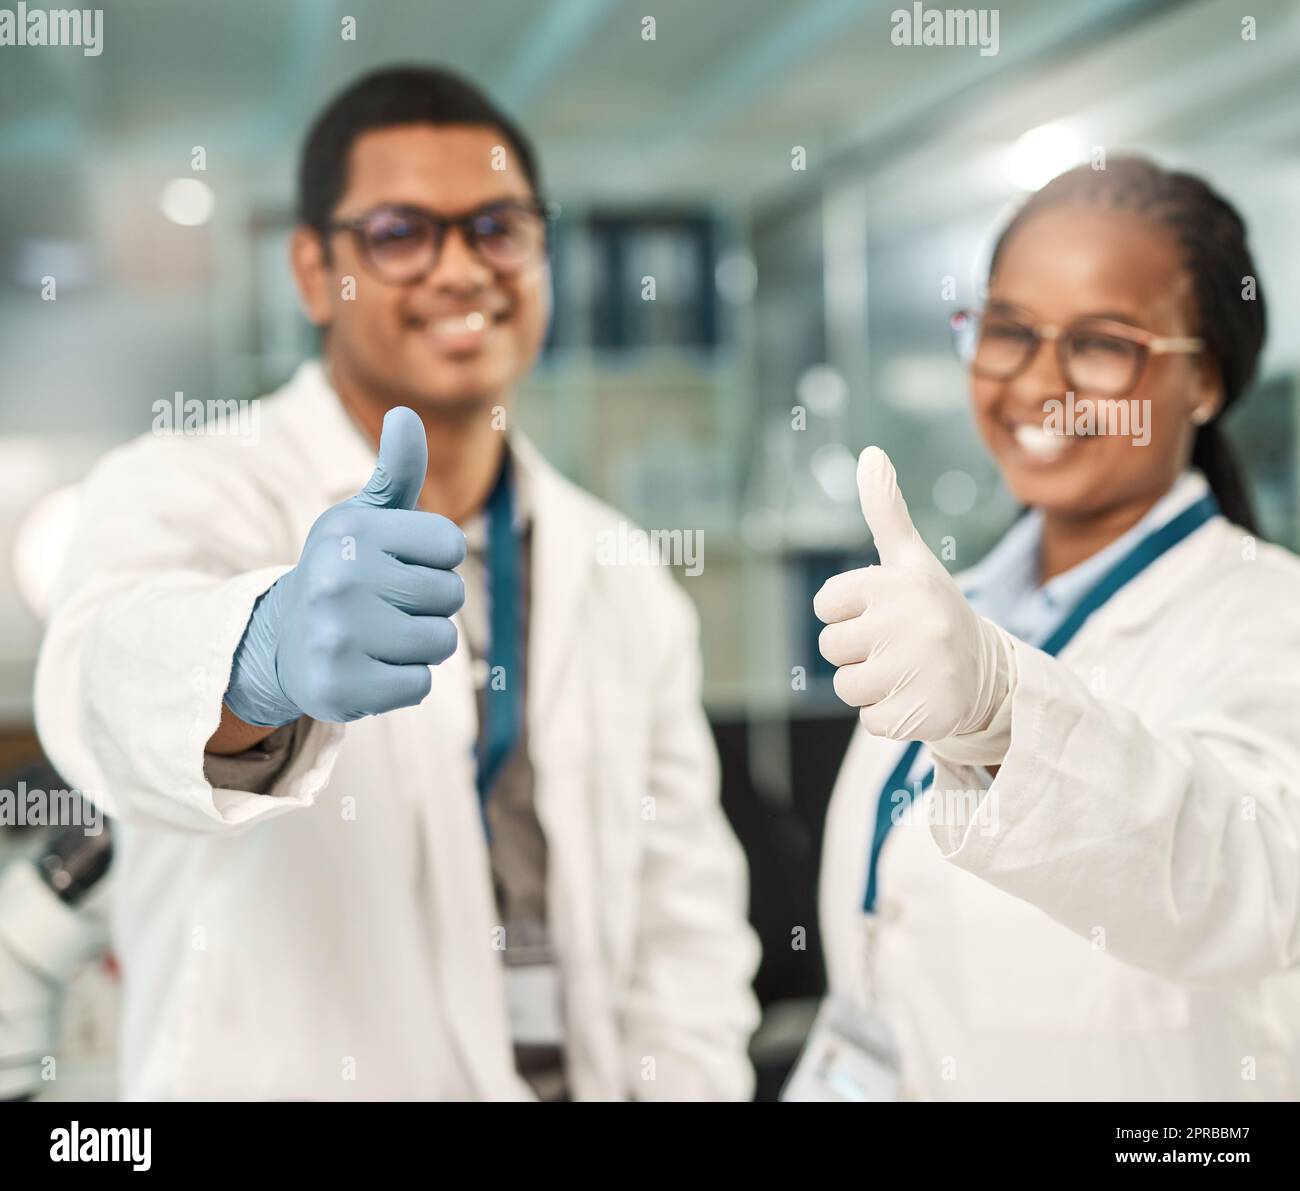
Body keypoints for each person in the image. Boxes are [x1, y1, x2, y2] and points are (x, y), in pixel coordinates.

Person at [34, 65, 759, 1101]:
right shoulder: (190, 485)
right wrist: (253, 657)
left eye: (498, 227)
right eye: (399, 232)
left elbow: (681, 910)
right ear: (308, 267)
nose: (461, 269)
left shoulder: (622, 570)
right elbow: (97, 688)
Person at [804, 158, 1300, 1100]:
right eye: (1008, 330)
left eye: (1103, 343)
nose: (1040, 382)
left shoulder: (1271, 615)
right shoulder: (962, 609)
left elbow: (1255, 879)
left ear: (1207, 381)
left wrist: (1006, 711)